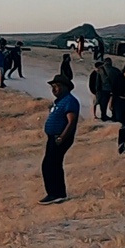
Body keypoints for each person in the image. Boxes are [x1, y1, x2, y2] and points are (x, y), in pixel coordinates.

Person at [40, 74, 80, 204]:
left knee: (51, 165)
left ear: (65, 87)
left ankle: (55, 193)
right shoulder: (59, 101)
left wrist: (62, 137)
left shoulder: (69, 101)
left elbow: (71, 121)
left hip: (60, 137)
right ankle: (56, 192)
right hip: (53, 137)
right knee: (50, 164)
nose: (54, 89)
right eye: (53, 86)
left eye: (57, 86)